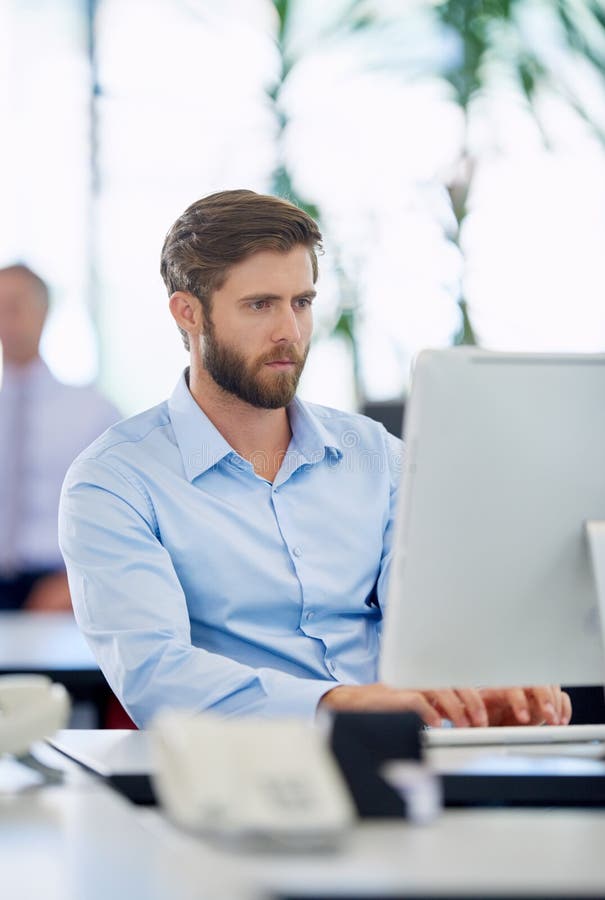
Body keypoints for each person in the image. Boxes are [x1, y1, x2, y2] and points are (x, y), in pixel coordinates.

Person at [59, 190, 571, 728]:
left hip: (402, 753)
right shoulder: (115, 481)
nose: (290, 332)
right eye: (261, 305)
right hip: (239, 764)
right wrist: (341, 702)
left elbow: (436, 625)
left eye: (301, 302)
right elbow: (156, 676)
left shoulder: (377, 455)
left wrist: (489, 686)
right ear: (189, 312)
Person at [0, 264, 120, 611]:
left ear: (43, 312)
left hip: (61, 585)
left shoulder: (92, 411)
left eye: (15, 306)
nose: (6, 320)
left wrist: (77, 581)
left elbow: (121, 509)